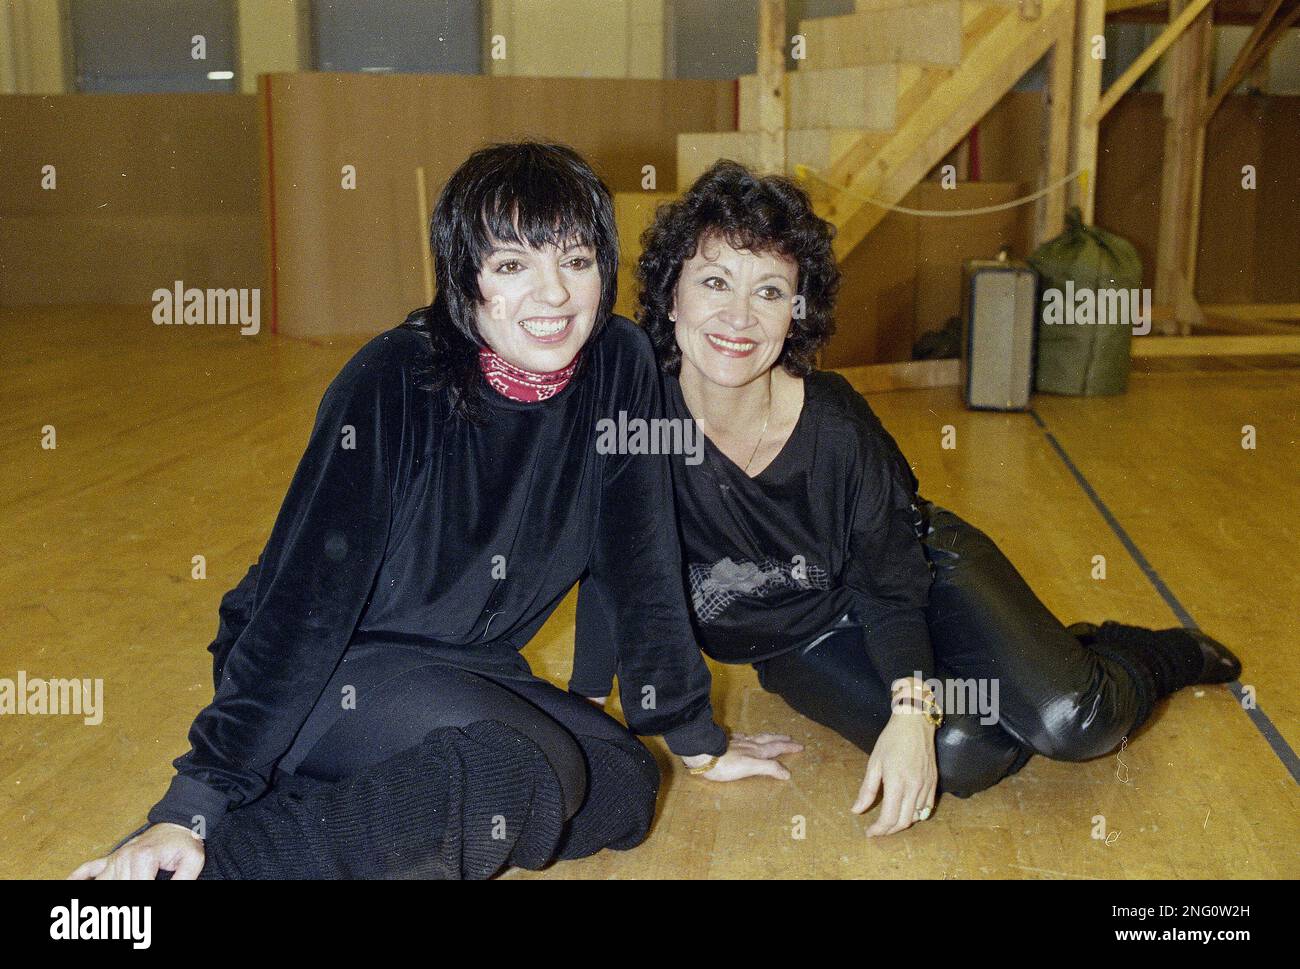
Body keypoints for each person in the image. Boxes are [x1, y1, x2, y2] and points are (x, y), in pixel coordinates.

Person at [69, 143, 798, 881]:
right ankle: (207, 867)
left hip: (464, 668)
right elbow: (303, 607)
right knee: (531, 772)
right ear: (463, 276)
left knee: (623, 782)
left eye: (576, 262)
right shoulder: (393, 379)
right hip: (340, 664)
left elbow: (639, 559)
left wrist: (691, 732)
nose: (554, 295)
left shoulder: (620, 360)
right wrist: (196, 797)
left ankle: (324, 801)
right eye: (512, 265)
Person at [572, 159, 1242, 838]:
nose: (738, 316)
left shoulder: (832, 424)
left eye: (770, 291)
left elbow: (888, 584)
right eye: (715, 281)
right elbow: (609, 574)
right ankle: (1043, 659)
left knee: (1073, 719)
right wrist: (590, 716)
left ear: (796, 311)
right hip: (797, 637)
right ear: (672, 294)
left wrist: (911, 708)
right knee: (963, 753)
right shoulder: (635, 423)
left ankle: (1150, 654)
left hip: (912, 566)